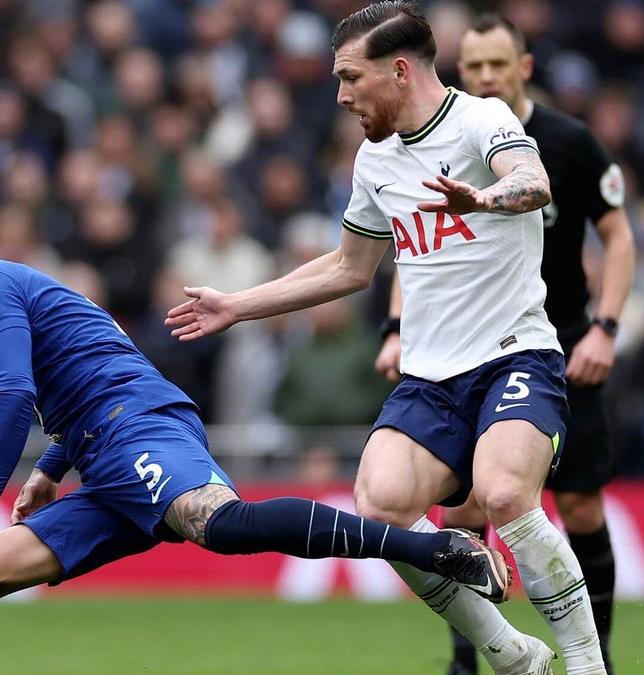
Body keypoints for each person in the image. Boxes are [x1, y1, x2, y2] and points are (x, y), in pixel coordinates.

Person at [0, 226, 510, 675]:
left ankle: (430, 546)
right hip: (104, 442)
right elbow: (77, 370)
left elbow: (18, 394)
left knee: (221, 524)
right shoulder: (7, 294)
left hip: (137, 427)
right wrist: (53, 467)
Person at [166, 3, 606, 674]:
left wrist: (482, 201)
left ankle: (585, 662)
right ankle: (514, 654)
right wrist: (238, 304)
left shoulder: (483, 120)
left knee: (505, 492)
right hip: (432, 377)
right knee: (380, 504)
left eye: (350, 78)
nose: (341, 96)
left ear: (398, 71)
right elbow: (349, 266)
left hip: (515, 353)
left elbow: (532, 181)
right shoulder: (376, 161)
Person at [372, 14, 635, 674]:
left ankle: (596, 654)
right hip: (465, 346)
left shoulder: (568, 143)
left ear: (524, 66)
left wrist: (605, 327)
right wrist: (398, 328)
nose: (485, 75)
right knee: (463, 506)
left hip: (558, 340)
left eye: (497, 64)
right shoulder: (439, 138)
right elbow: (416, 251)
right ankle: (472, 657)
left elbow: (620, 237)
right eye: (474, 65)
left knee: (573, 502)